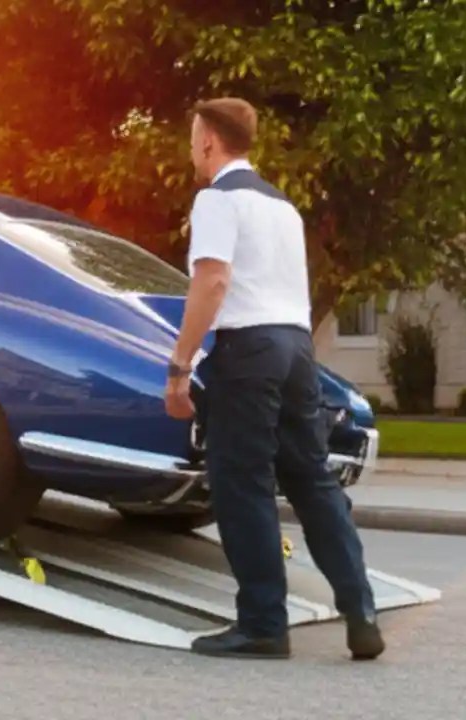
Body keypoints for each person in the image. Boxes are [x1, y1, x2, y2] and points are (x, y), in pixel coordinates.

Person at [163, 97, 385, 661]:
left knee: (243, 483)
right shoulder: (282, 206)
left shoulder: (217, 199)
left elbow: (212, 282)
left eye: (193, 138)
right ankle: (360, 611)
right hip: (296, 349)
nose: (192, 148)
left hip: (251, 349)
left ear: (210, 140)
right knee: (312, 479)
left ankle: (263, 624)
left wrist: (181, 365)